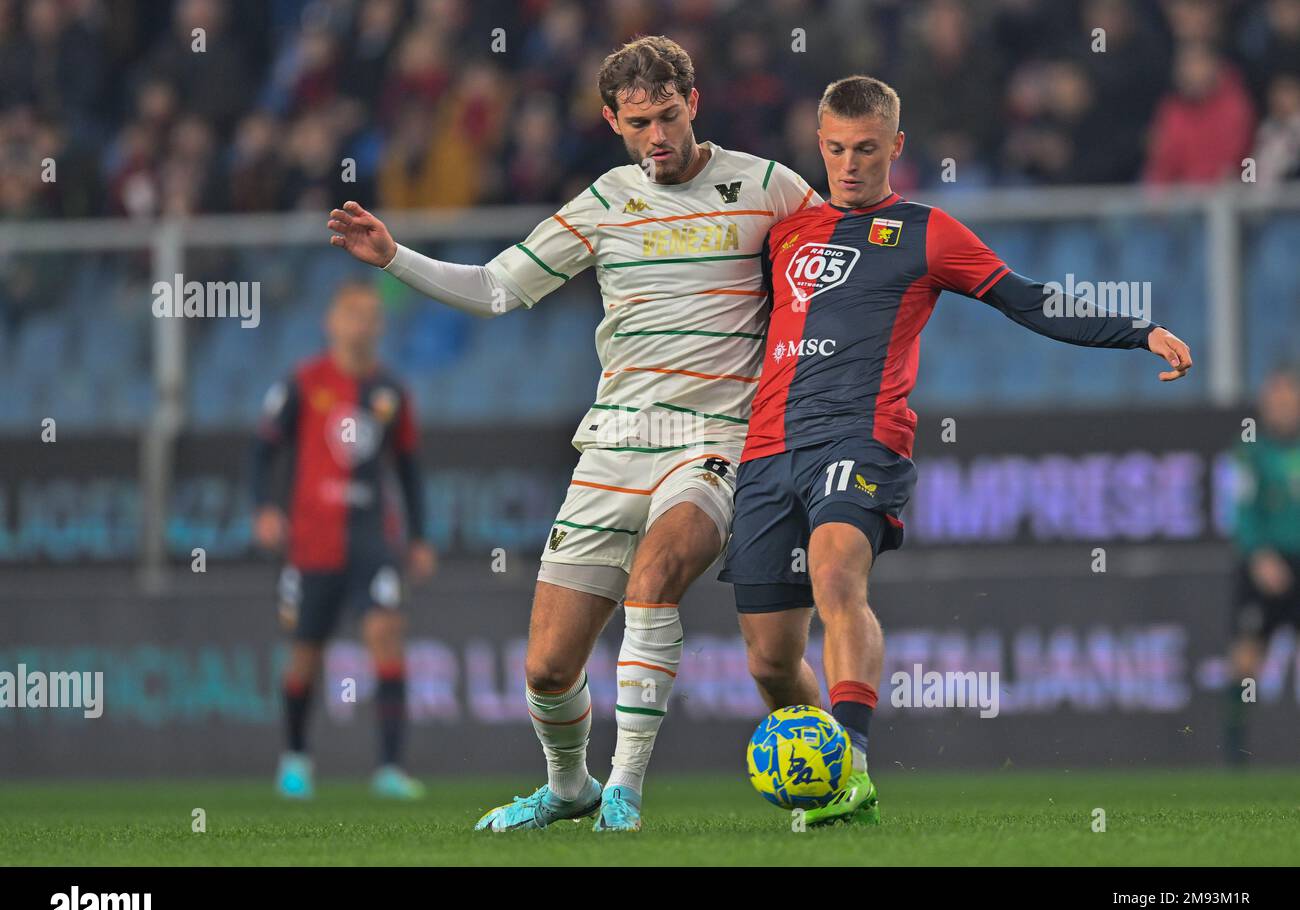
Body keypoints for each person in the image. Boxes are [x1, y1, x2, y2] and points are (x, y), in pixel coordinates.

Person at [327, 36, 818, 831]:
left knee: (654, 579)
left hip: (714, 437)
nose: (655, 138)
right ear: (610, 120)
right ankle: (569, 787)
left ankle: (624, 790)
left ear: (693, 104)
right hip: (614, 443)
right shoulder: (605, 201)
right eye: (636, 124)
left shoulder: (767, 185)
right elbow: (495, 289)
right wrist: (394, 258)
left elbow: (841, 261)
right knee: (549, 667)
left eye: (666, 117)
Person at [721, 75, 1194, 826]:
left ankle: (852, 764)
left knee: (837, 576)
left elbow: (1029, 297)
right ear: (818, 144)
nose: (849, 164)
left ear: (896, 147)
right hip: (767, 450)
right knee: (770, 659)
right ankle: (823, 775)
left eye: (867, 149)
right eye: (837, 149)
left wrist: (1137, 331)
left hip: (860, 437)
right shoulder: (783, 232)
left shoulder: (925, 230)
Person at [251, 280, 437, 800]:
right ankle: (295, 760)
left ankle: (391, 769)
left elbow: (410, 468)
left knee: (386, 635)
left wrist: (420, 537)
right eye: (353, 313)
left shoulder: (390, 392)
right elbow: (262, 450)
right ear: (331, 322)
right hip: (312, 543)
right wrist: (265, 507)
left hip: (373, 539)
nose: (364, 323)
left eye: (373, 315)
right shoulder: (302, 383)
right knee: (305, 653)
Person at [1225, 366, 1300, 764]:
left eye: (1288, 401)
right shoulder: (1251, 451)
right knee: (1245, 657)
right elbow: (1242, 510)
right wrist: (1259, 554)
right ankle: (1234, 756)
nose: (1281, 409)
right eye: (1275, 402)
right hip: (1266, 562)